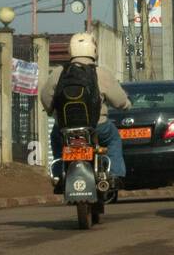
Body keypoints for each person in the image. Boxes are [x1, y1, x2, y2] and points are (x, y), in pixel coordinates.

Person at [42, 31, 131, 192]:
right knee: (113, 139)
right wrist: (126, 105)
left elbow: (45, 97)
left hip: (65, 128)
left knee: (56, 140)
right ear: (94, 51)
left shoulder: (58, 72)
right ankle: (115, 174)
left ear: (70, 51)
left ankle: (58, 175)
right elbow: (119, 101)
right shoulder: (101, 73)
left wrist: (50, 111)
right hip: (97, 127)